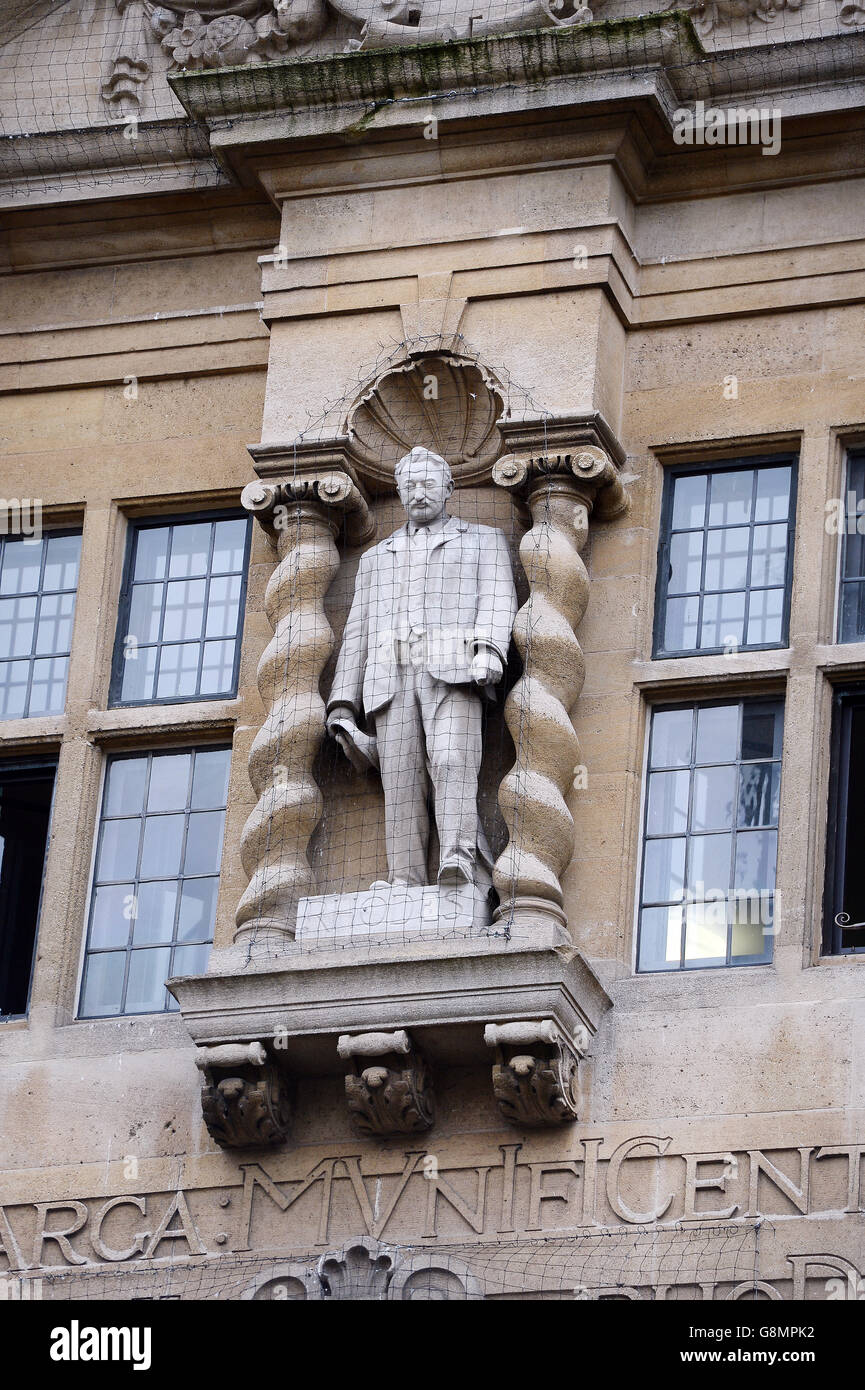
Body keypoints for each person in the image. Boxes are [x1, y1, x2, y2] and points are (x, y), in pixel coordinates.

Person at [326, 446, 517, 890]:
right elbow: (358, 631)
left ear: (449, 488)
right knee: (401, 783)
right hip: (388, 679)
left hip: (454, 671)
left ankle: (458, 858)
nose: (419, 493)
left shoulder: (482, 540)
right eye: (410, 485)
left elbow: (497, 597)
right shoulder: (376, 558)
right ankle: (404, 881)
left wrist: (489, 650)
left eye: (428, 483)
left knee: (452, 760)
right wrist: (341, 704)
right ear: (398, 492)